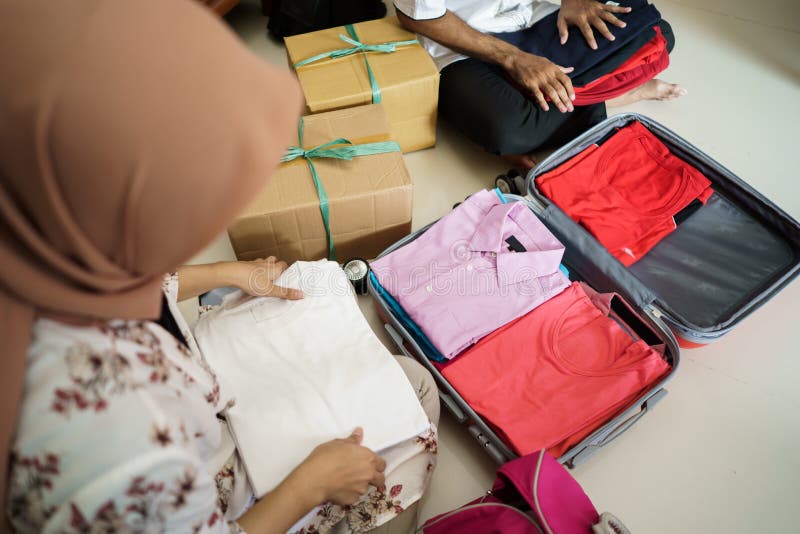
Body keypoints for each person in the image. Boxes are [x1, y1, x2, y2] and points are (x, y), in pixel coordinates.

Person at [0, 1, 438, 532]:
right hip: (213, 483)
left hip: (195, 407)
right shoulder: (117, 442)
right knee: (409, 401)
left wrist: (229, 275)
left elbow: (143, 285)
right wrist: (312, 483)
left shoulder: (42, 237)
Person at [394, 0, 687, 169]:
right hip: (462, 41)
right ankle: (623, 94)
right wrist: (513, 58)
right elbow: (417, 17)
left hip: (534, 13)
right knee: (508, 129)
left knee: (656, 36)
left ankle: (564, 111)